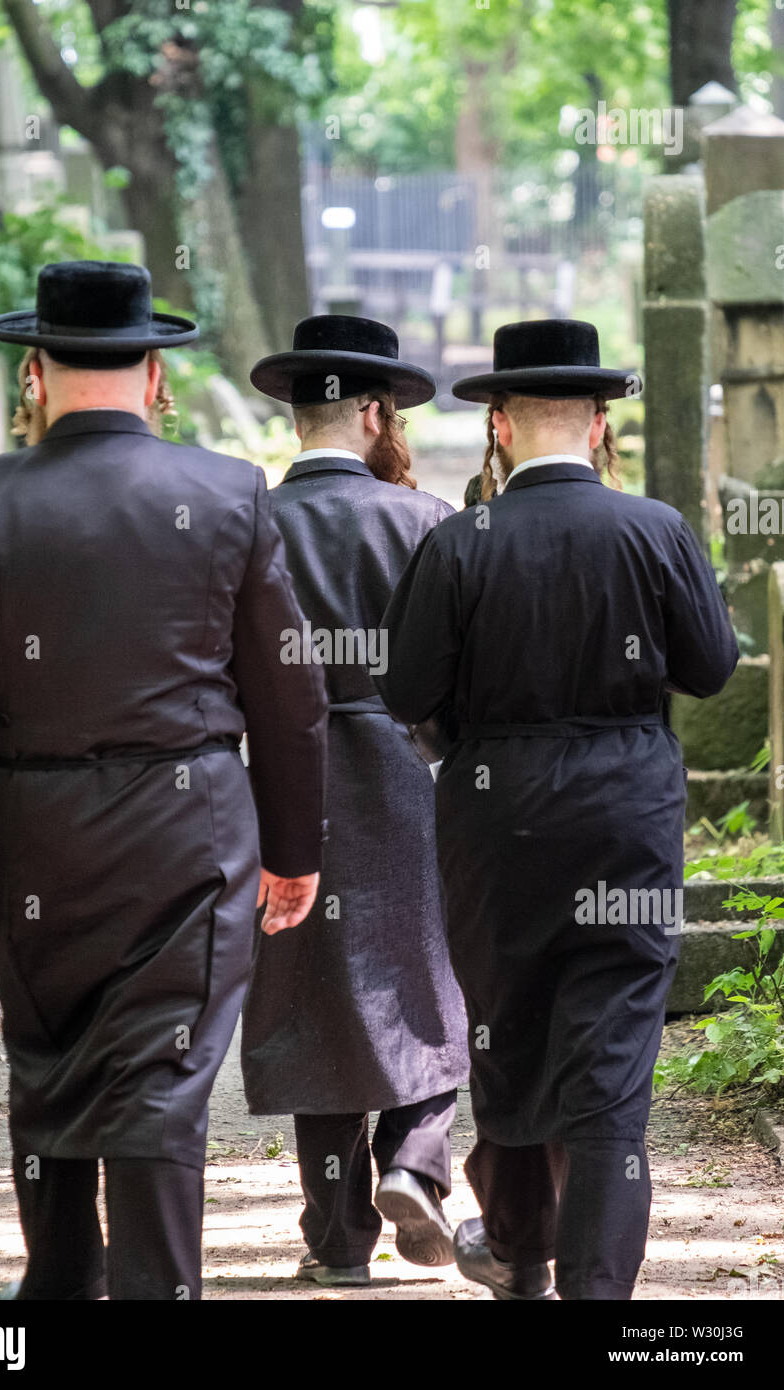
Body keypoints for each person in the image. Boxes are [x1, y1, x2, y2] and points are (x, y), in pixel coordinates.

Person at [0, 260, 328, 1302]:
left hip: (32, 826)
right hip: (189, 826)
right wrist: (294, 847)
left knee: (46, 1060)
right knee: (163, 1079)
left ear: (32, 372)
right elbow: (289, 692)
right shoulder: (226, 492)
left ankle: (59, 1284)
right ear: (155, 373)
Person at [375, 319, 739, 1301]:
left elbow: (405, 690)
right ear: (597, 419)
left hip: (496, 825)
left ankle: (519, 1245)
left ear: (497, 424)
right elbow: (709, 666)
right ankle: (594, 1291)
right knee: (612, 1064)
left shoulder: (459, 545)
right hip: (624, 818)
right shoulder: (654, 530)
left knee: (509, 1031)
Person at [241, 316, 469, 1287]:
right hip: (403, 770)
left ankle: (337, 1241)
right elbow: (462, 672)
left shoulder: (247, 520)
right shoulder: (423, 521)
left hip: (281, 781)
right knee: (433, 982)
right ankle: (416, 1158)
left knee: (312, 1003)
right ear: (374, 412)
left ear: (300, 414)